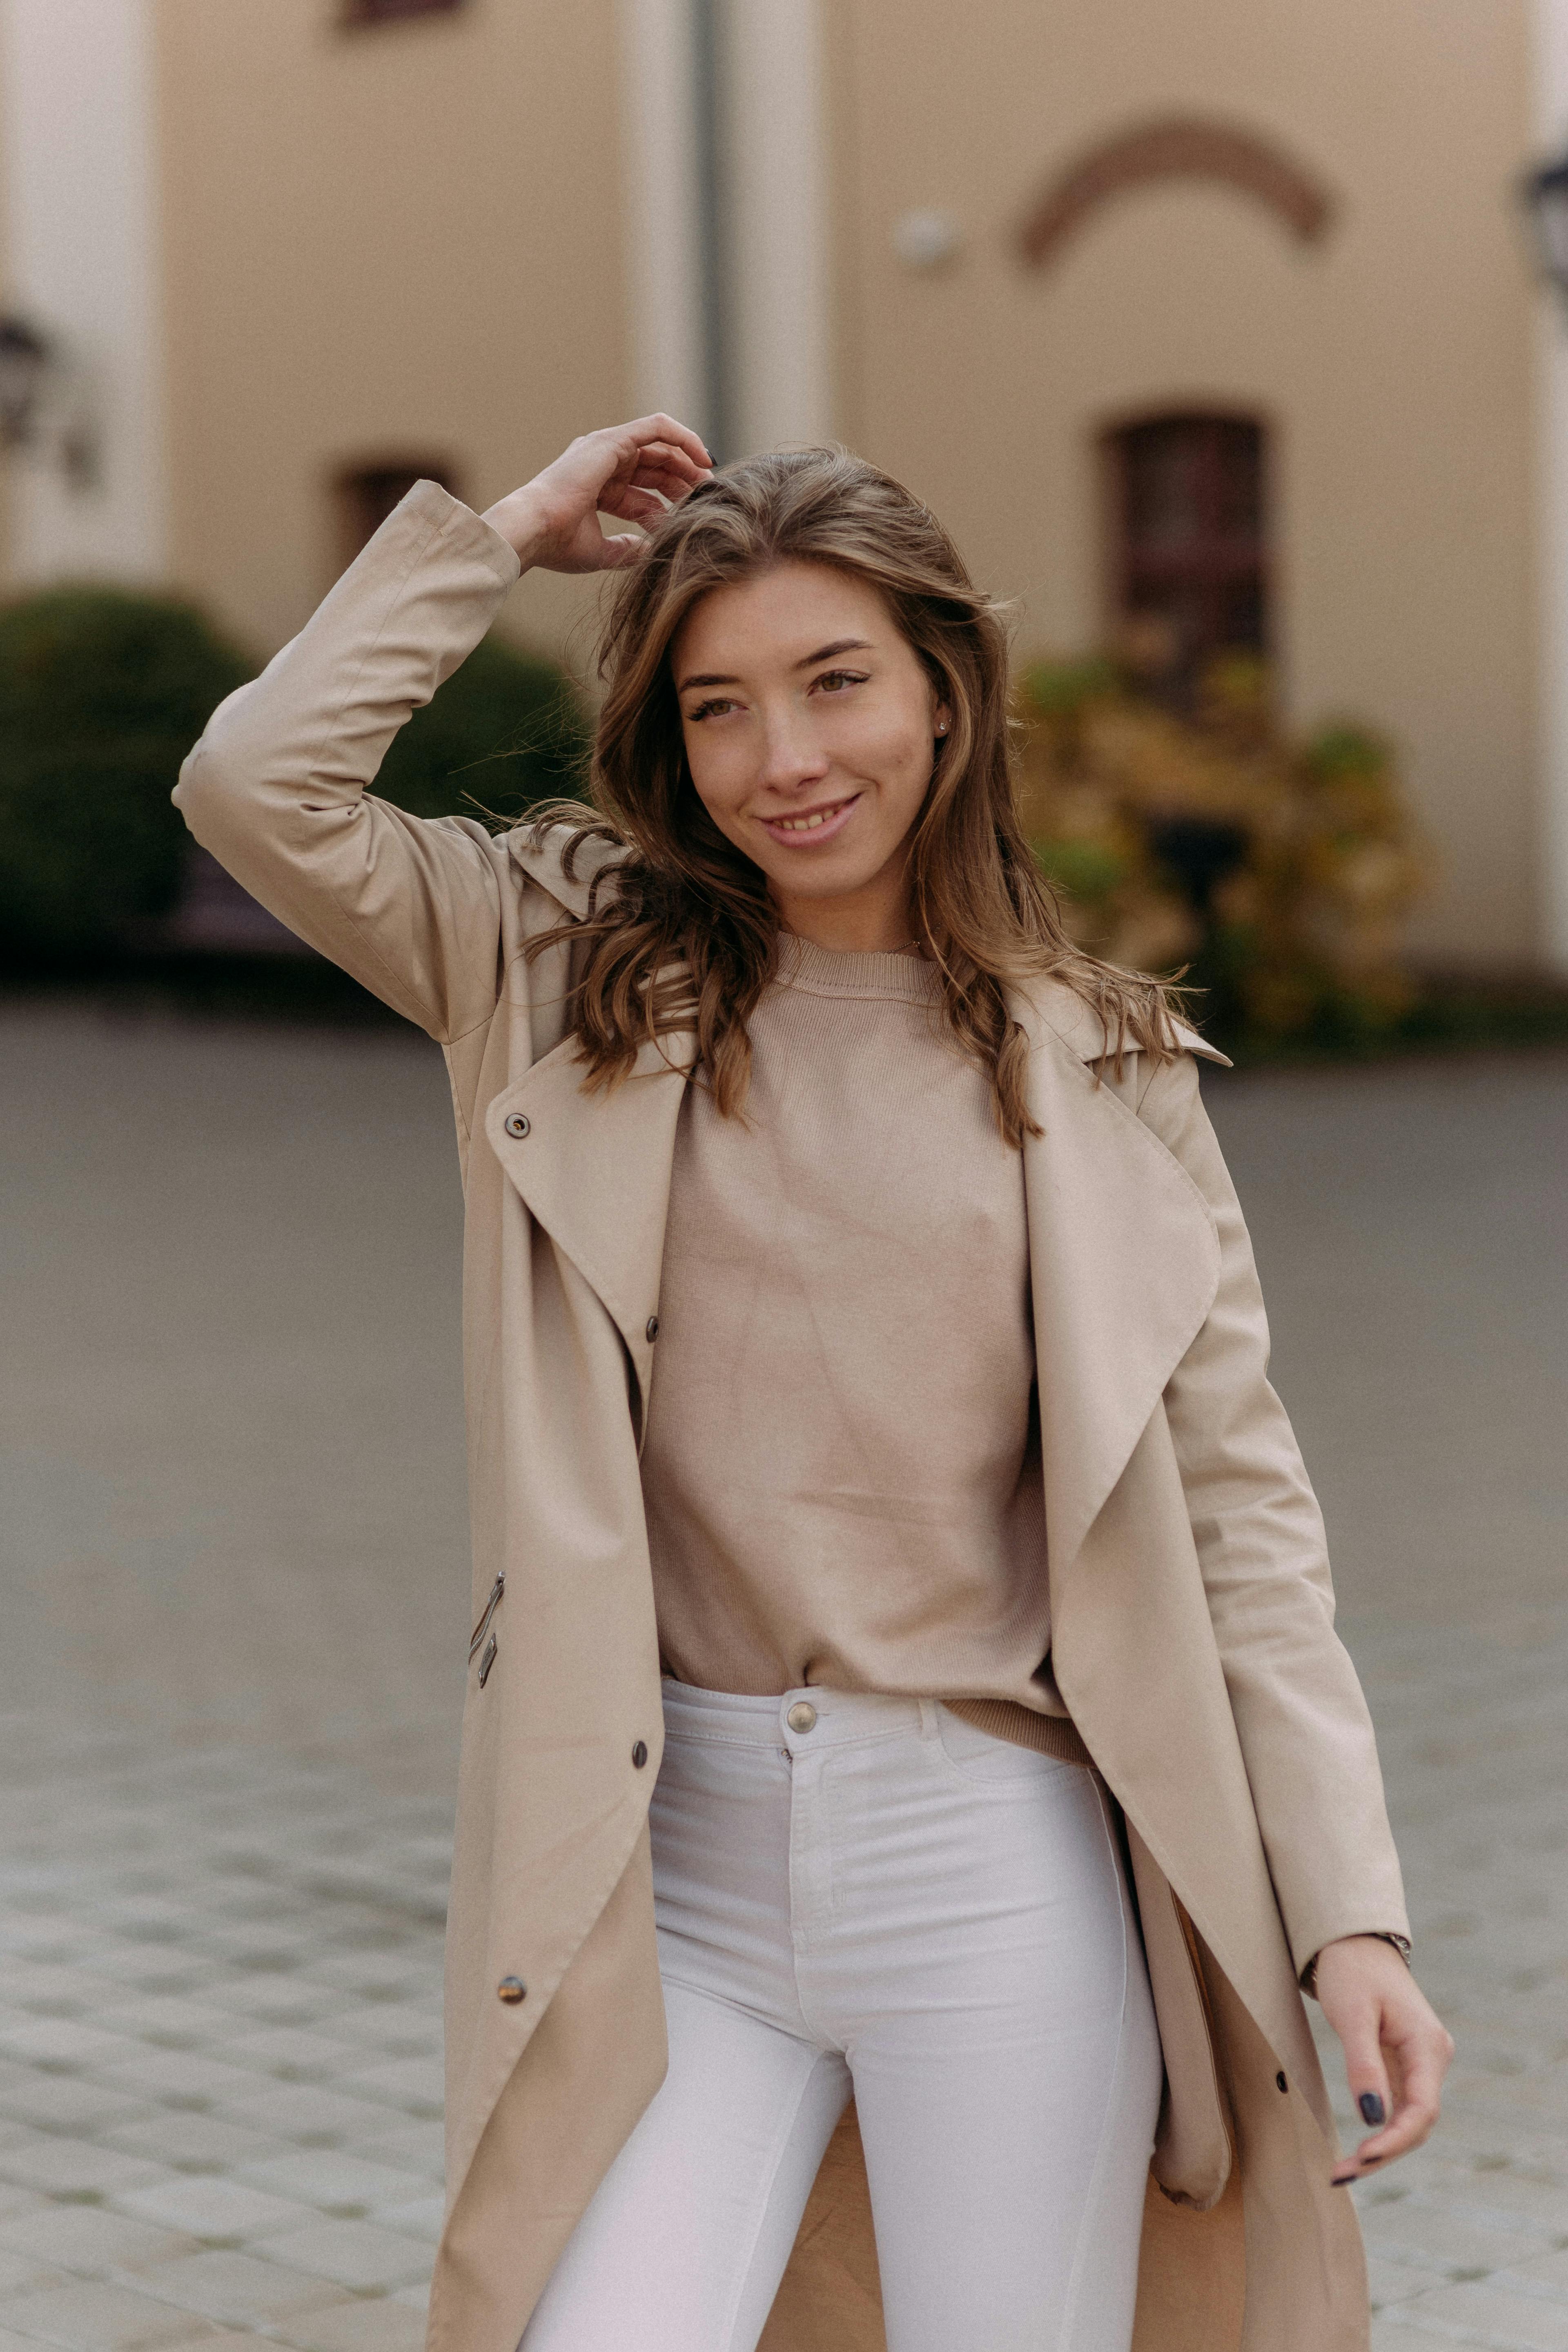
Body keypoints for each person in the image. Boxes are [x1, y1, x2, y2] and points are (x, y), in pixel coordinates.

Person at [173, 414, 1452, 2352]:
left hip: (996, 1869)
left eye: (835, 682)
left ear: (945, 689)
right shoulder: (563, 965)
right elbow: (260, 787)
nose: (786, 761)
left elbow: (1241, 1518)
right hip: (661, 1862)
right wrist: (504, 536)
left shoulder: (1105, 1071)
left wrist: (1349, 1910)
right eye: (719, 708)